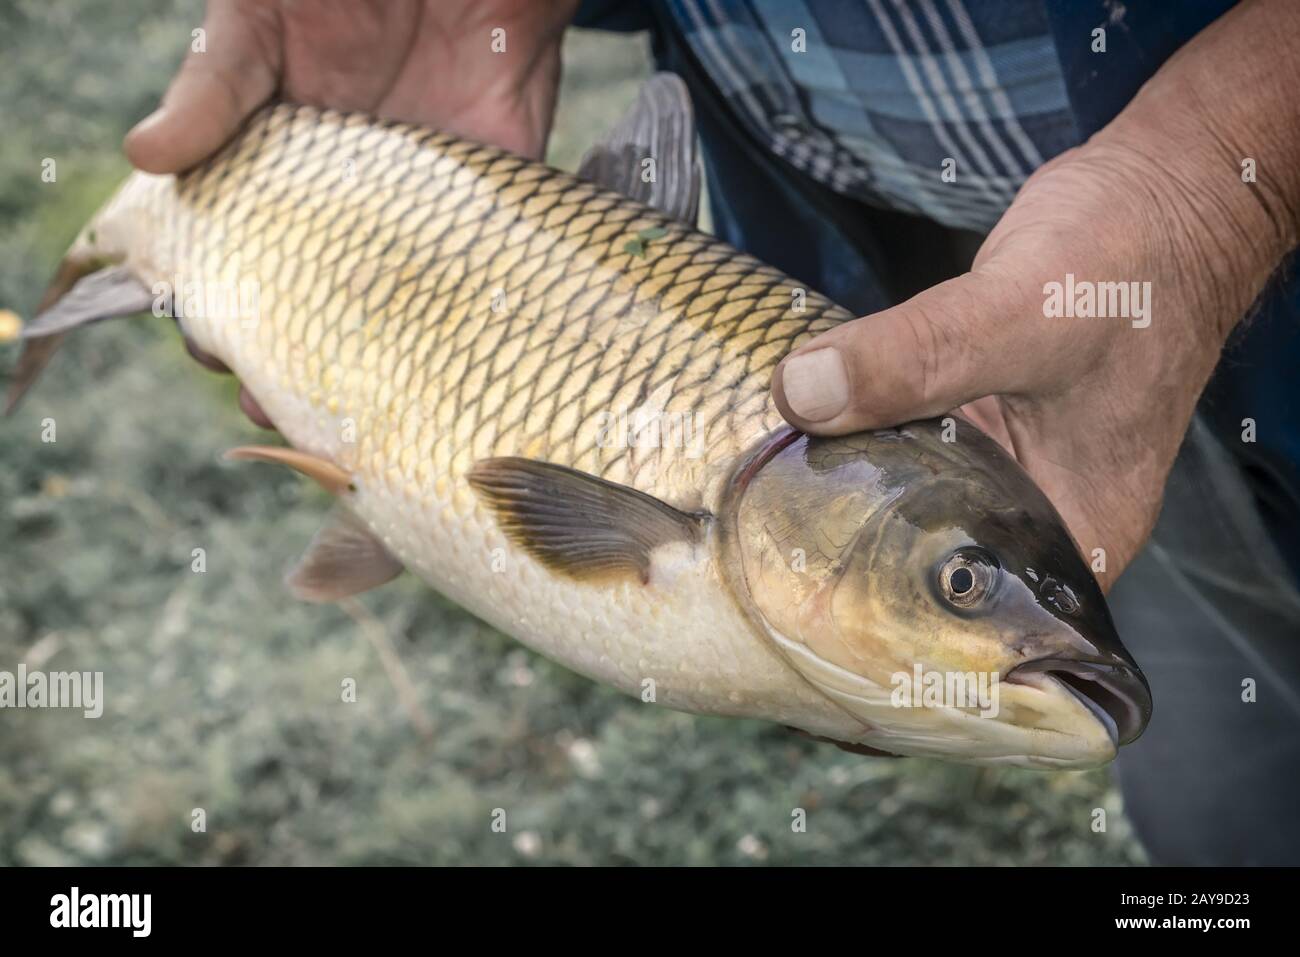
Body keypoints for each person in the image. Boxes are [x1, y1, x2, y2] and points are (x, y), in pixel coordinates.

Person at [124, 0, 1300, 864]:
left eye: (959, 581)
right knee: (1221, 794)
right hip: (847, 237)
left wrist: (1221, 192)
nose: (971, 593)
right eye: (960, 580)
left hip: (1218, 263)